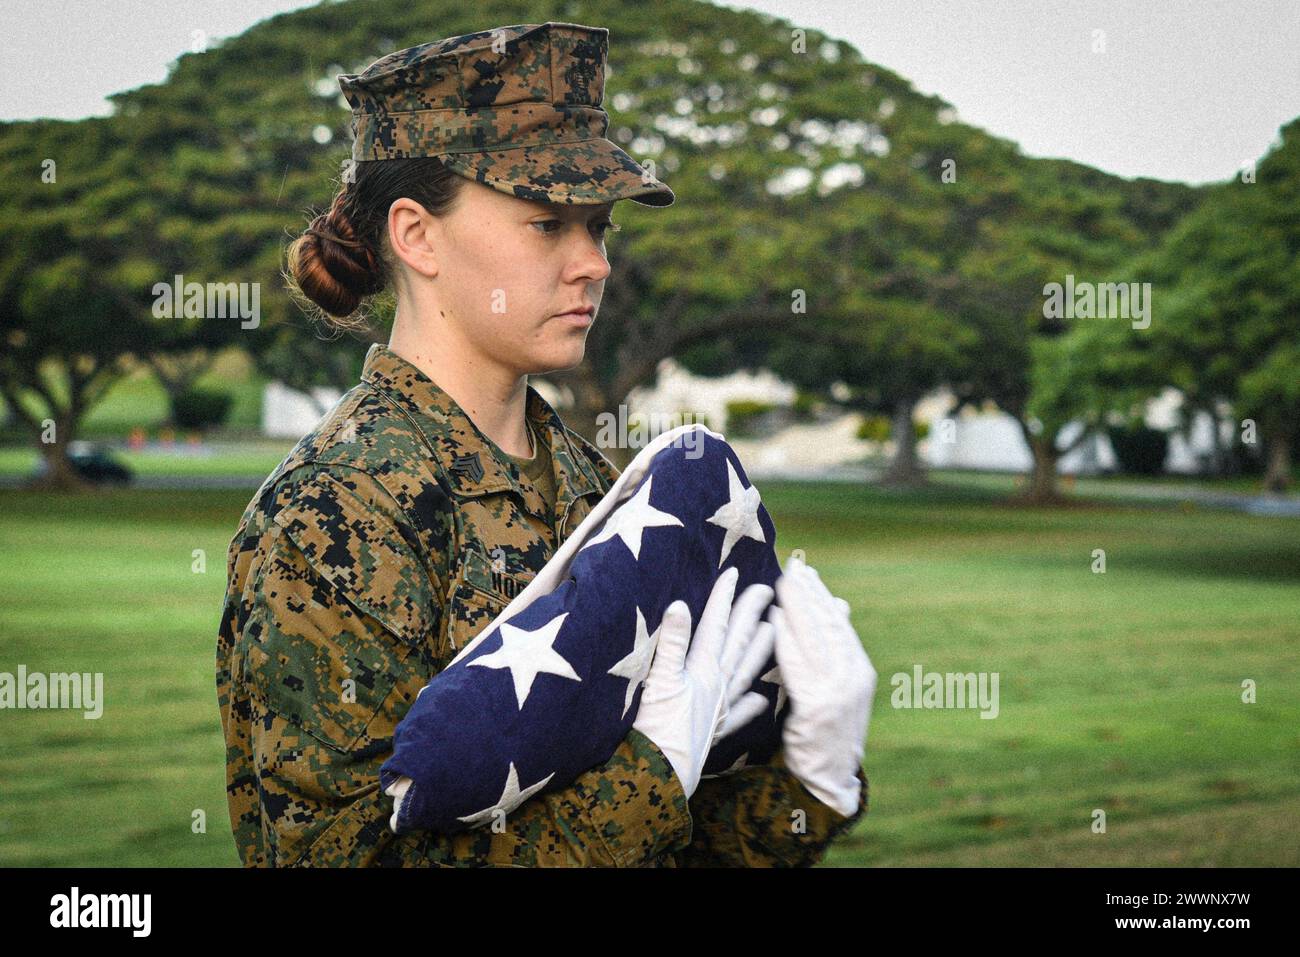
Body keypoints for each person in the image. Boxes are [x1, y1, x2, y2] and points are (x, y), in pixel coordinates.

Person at [216, 20, 874, 867]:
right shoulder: (334, 512)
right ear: (417, 236)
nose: (593, 263)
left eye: (597, 227)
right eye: (546, 225)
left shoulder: (610, 489)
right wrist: (647, 779)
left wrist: (812, 784)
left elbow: (688, 845)